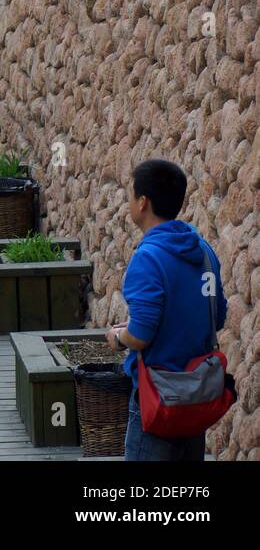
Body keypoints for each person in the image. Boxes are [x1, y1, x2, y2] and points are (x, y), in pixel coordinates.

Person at [106, 159, 229, 461]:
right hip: (196, 398)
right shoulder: (203, 252)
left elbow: (142, 335)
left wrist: (120, 336)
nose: (130, 202)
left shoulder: (148, 258)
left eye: (131, 195)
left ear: (143, 202)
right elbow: (218, 315)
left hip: (158, 401)